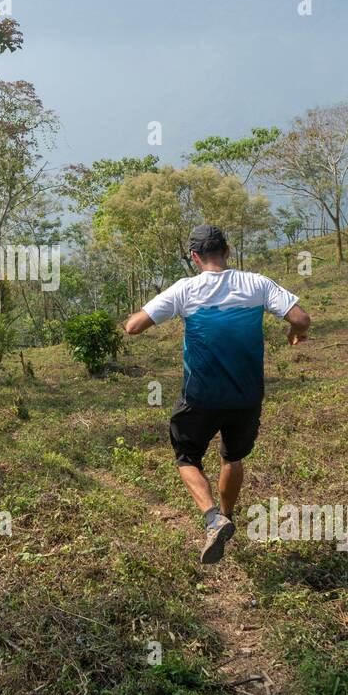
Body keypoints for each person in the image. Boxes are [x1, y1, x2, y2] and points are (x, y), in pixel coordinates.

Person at [123, 224, 311, 564]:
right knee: (232, 457)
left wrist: (135, 317)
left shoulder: (185, 290)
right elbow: (300, 317)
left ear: (195, 258)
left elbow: (134, 327)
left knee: (187, 457)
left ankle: (213, 518)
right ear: (227, 252)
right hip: (246, 397)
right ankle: (227, 514)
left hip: (200, 397)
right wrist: (294, 333)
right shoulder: (257, 283)